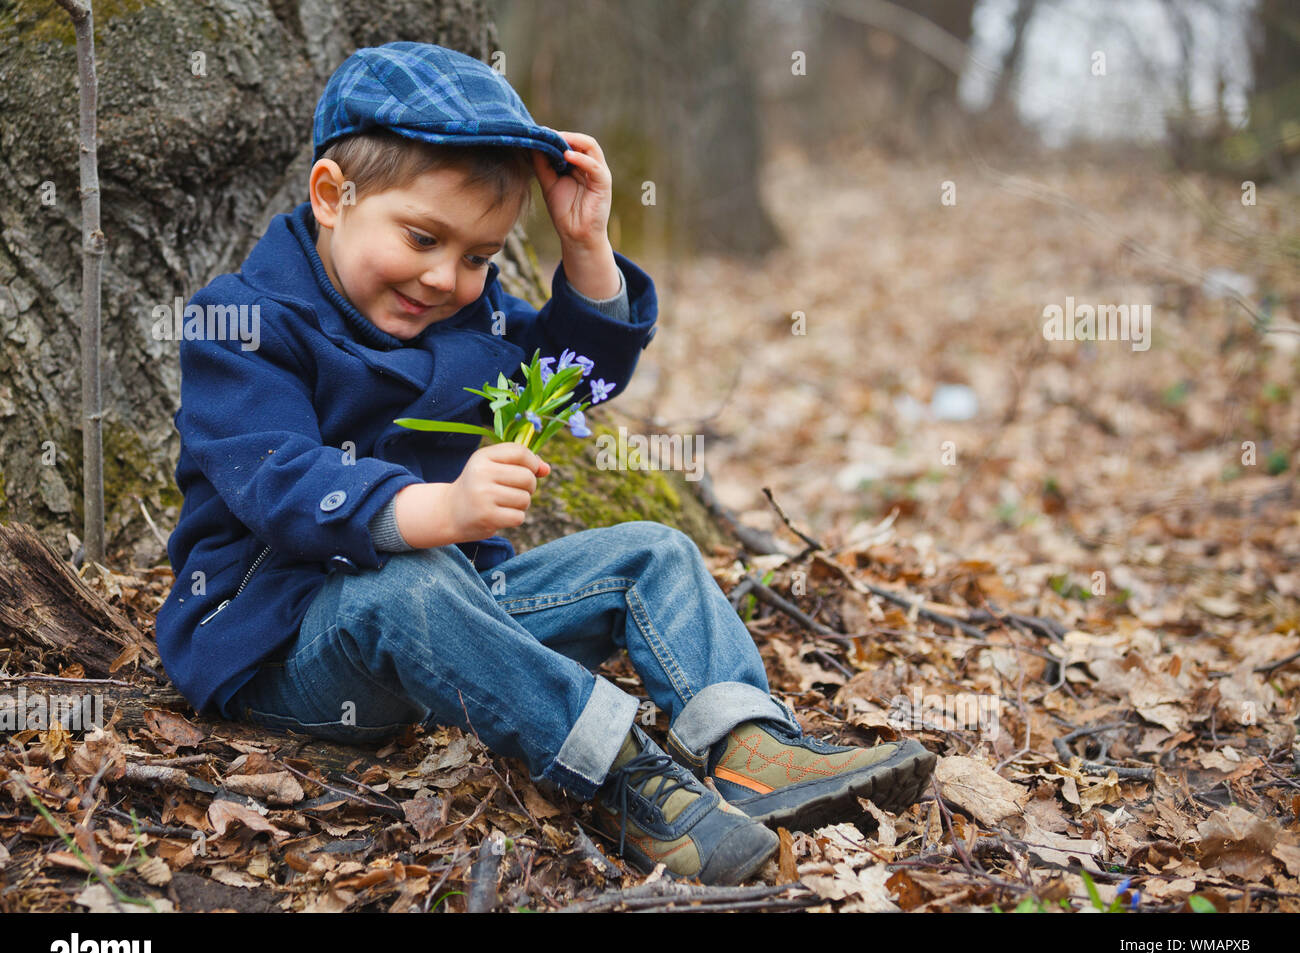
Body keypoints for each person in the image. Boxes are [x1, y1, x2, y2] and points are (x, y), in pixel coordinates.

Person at [155, 41, 936, 887]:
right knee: (406, 586)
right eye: (423, 237)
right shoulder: (242, 321)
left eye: (480, 256)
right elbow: (277, 481)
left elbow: (574, 379)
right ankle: (628, 783)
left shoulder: (466, 317)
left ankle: (753, 749)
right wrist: (437, 512)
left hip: (465, 627)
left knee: (655, 551)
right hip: (289, 640)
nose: (444, 277)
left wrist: (586, 247)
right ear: (332, 196)